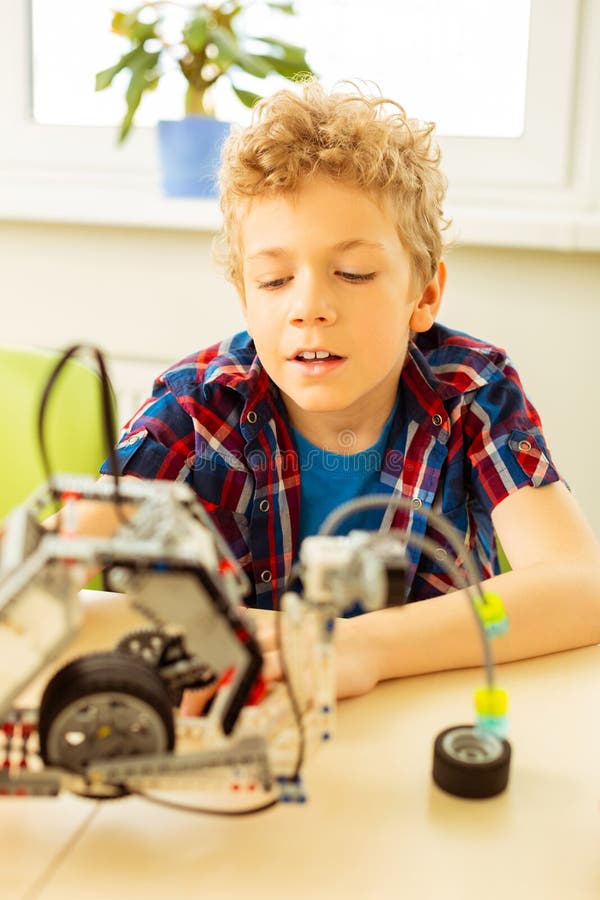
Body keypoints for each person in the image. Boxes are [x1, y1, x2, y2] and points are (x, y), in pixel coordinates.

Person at [88, 78, 598, 706]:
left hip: (427, 721)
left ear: (425, 294)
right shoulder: (194, 407)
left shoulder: (473, 392)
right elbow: (66, 547)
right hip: (253, 728)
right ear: (244, 298)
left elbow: (580, 584)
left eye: (353, 273)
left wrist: (369, 645)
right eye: (274, 281)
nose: (309, 308)